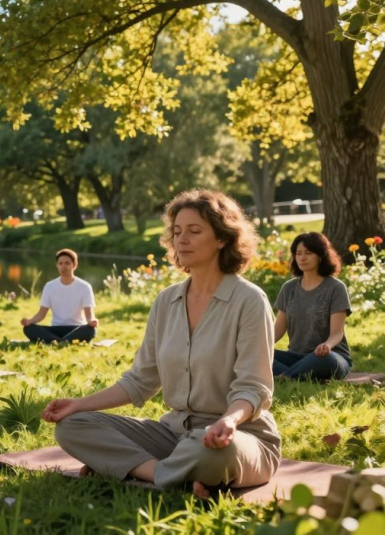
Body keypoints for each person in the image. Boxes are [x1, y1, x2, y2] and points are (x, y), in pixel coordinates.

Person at [41, 189, 280, 498]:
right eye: (177, 232)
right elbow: (140, 381)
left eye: (194, 231)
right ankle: (162, 474)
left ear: (222, 238)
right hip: (173, 435)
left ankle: (129, 468)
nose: (182, 240)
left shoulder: (249, 300)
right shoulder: (167, 301)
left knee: (208, 453)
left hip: (237, 436)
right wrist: (79, 404)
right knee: (73, 426)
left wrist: (227, 422)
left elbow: (254, 387)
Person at [272, 232, 352, 381]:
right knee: (259, 356)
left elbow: (337, 333)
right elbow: (277, 330)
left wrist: (327, 345)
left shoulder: (336, 288)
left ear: (321, 256)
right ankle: (292, 376)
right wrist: (255, 347)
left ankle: (284, 377)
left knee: (324, 360)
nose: (302, 258)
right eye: (298, 253)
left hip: (329, 356)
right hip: (295, 357)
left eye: (308, 253)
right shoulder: (288, 288)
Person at [20, 248, 98, 343]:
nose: (63, 267)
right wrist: (29, 321)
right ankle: (63, 341)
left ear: (74, 265)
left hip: (76, 329)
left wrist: (92, 321)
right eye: (60, 264)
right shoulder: (50, 286)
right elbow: (41, 314)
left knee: (90, 330)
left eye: (67, 263)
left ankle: (55, 342)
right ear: (57, 265)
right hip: (55, 329)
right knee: (28, 329)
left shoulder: (85, 286)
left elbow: (89, 315)